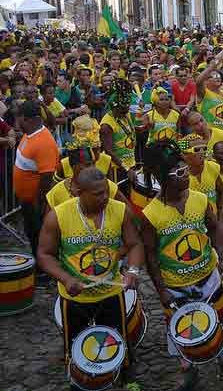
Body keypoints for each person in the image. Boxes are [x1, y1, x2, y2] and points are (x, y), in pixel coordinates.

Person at [139, 140, 223, 391]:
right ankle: (189, 371)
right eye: (179, 173)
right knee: (184, 330)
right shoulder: (150, 215)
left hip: (208, 278)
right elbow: (150, 257)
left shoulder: (200, 199)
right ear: (162, 178)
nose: (186, 175)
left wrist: (221, 256)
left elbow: (214, 228)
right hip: (175, 286)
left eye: (186, 170)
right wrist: (161, 291)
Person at [37, 167, 145, 391]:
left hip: (110, 294)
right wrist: (66, 279)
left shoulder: (119, 210)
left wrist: (133, 271)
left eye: (106, 191)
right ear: (78, 191)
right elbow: (44, 254)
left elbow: (134, 244)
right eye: (97, 194)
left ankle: (127, 378)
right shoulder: (58, 216)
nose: (105, 197)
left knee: (118, 340)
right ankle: (79, 380)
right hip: (74, 298)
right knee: (76, 344)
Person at [13, 99, 59, 263]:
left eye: (19, 119)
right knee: (31, 233)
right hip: (27, 200)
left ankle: (44, 271)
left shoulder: (44, 142)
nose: (17, 123)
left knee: (39, 237)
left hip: (35, 203)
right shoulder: (29, 133)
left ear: (29, 120)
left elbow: (47, 177)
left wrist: (39, 203)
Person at [46, 146, 127, 209]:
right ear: (74, 167)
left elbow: (127, 210)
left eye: (94, 164)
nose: (93, 168)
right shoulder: (57, 192)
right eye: (87, 165)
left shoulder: (107, 185)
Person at [99, 79, 138, 184]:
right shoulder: (106, 125)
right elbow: (108, 151)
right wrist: (126, 168)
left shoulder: (126, 114)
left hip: (130, 165)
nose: (127, 110)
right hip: (116, 169)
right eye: (123, 108)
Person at [181, 133, 223, 218]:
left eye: (204, 149)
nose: (202, 153)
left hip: (214, 220)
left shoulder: (213, 167)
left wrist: (221, 218)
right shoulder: (180, 176)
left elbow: (221, 192)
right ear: (185, 154)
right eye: (197, 150)